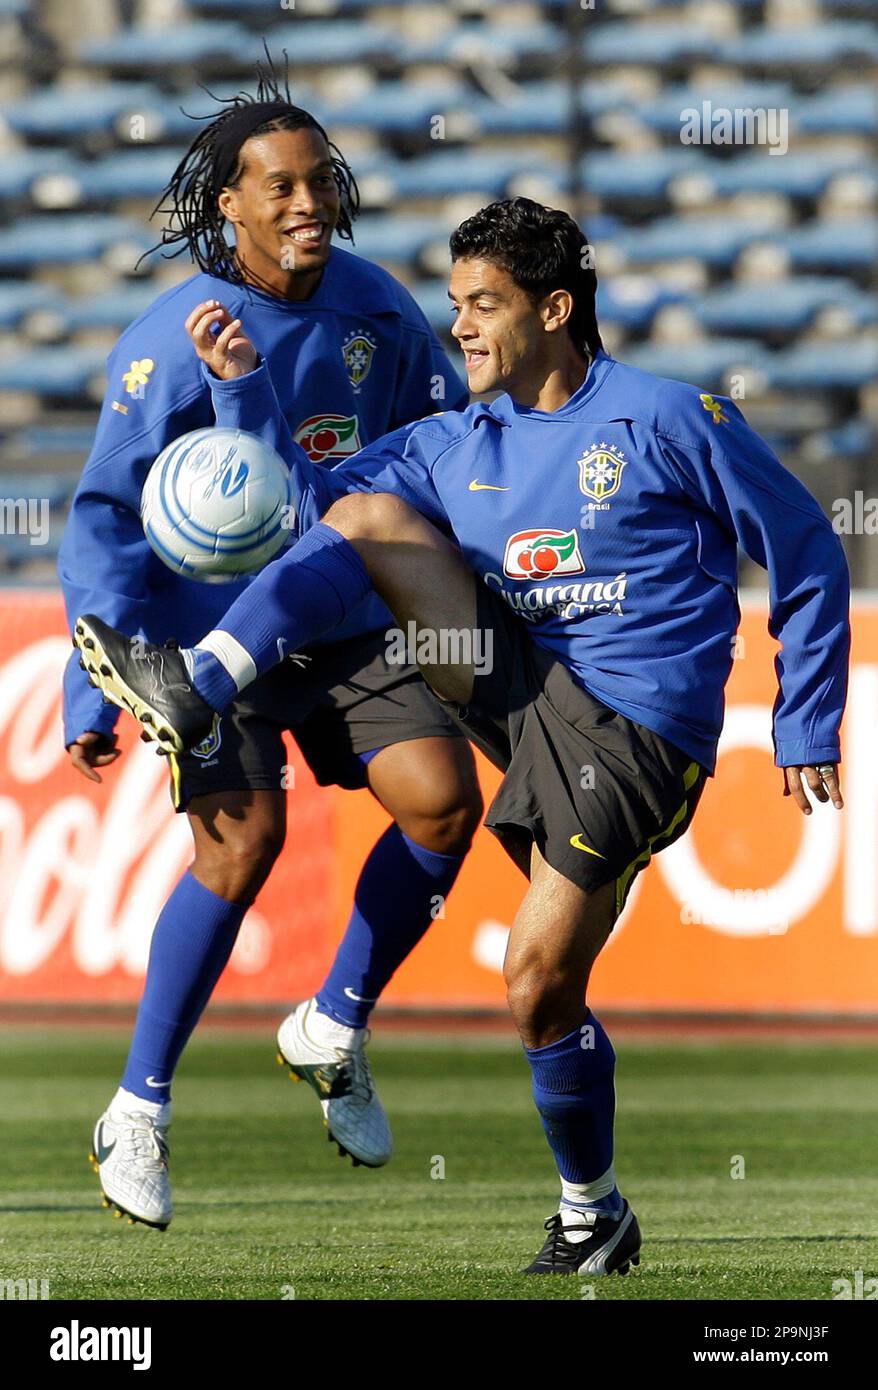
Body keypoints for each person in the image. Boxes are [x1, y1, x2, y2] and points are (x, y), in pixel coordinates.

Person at [75, 197, 850, 1273]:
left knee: (536, 985)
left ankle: (591, 1212)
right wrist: (244, 388)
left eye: (484, 304)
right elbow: (309, 512)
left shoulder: (671, 418)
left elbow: (807, 548)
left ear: (555, 309)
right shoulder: (455, 442)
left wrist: (807, 716)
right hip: (516, 687)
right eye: (454, 304)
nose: (461, 327)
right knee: (363, 517)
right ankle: (204, 681)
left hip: (635, 727)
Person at [60, 62, 482, 1232]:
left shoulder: (378, 310)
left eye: (319, 182)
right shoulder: (168, 340)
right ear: (229, 206)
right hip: (213, 637)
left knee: (444, 807)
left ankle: (332, 1024)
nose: (307, 204)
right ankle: (136, 1110)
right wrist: (87, 684)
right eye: (279, 187)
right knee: (242, 846)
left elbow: (444, 446)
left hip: (343, 616)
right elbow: (105, 515)